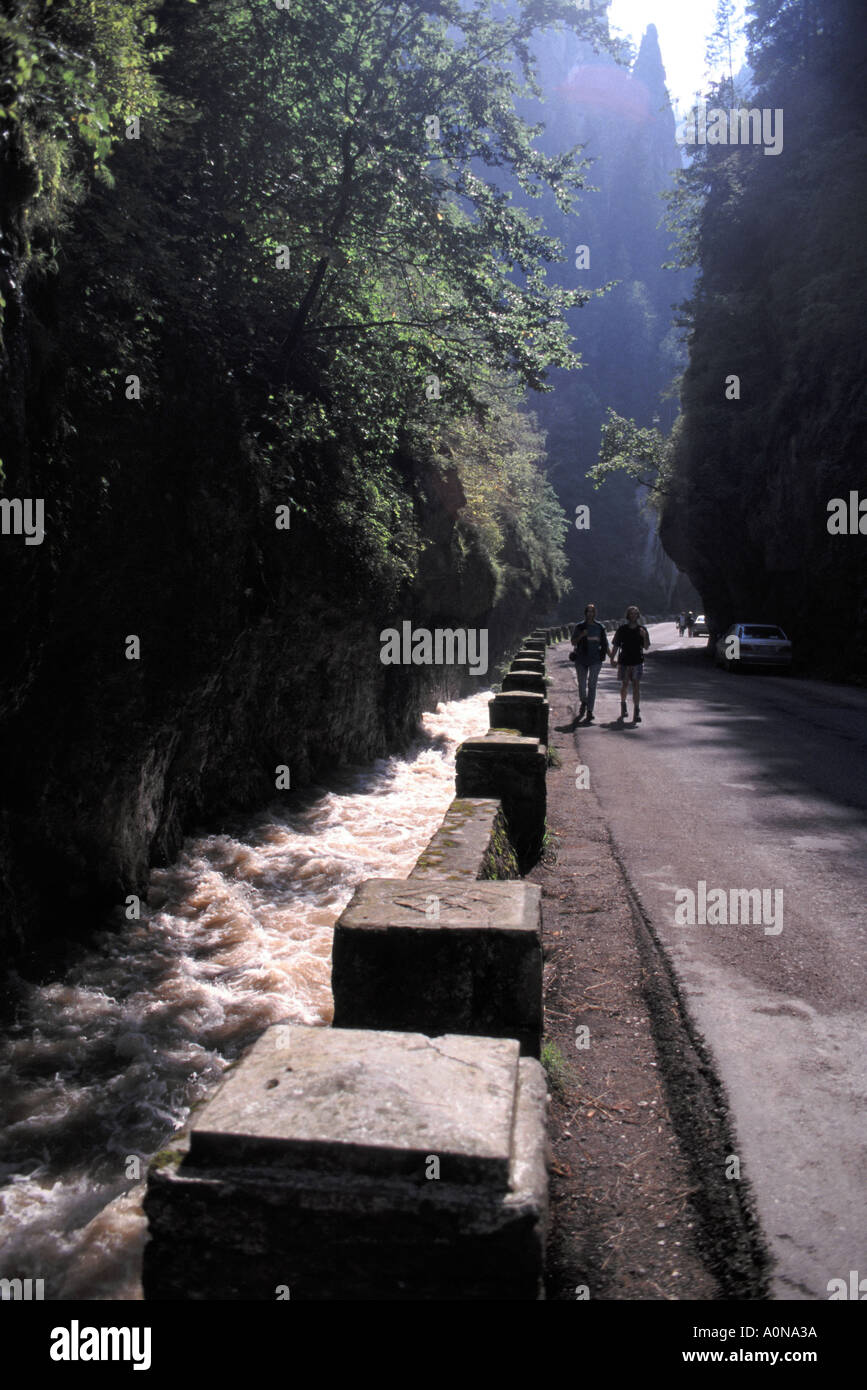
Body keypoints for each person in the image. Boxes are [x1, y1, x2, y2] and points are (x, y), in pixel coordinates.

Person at [570, 602, 609, 724]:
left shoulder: (600, 627)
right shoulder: (579, 627)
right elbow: (573, 642)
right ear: (585, 613)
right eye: (588, 611)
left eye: (592, 611)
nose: (590, 613)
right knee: (582, 686)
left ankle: (590, 711)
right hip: (581, 659)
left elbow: (605, 644)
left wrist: (612, 657)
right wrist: (582, 635)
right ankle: (584, 701)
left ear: (595, 613)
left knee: (592, 685)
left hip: (595, 660)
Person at [610, 605, 650, 723]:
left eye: (635, 614)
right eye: (631, 613)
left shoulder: (642, 629)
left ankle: (636, 711)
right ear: (628, 615)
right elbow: (616, 645)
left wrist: (644, 636)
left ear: (638, 615)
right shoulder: (622, 629)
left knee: (636, 686)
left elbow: (646, 647)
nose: (633, 616)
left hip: (637, 660)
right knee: (625, 685)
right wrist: (612, 659)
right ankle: (623, 705)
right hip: (624, 661)